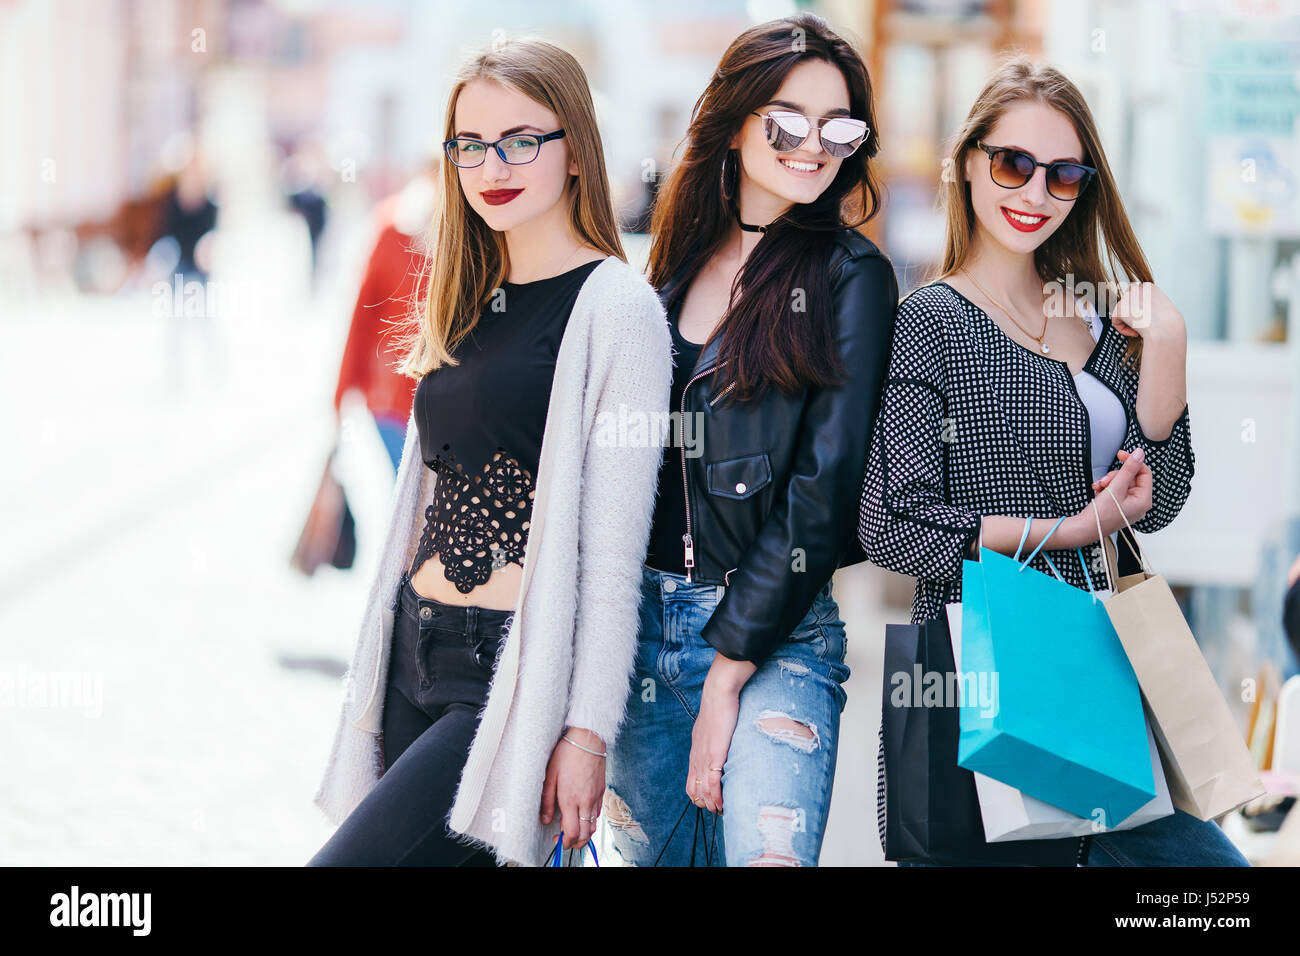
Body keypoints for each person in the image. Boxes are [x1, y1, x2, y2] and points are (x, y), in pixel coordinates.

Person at [858, 54, 1247, 866]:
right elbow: (891, 522)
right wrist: (1063, 530)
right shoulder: (932, 320)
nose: (1035, 194)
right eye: (1013, 165)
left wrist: (1167, 352)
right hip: (982, 670)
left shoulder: (1103, 318)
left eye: (1063, 175)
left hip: (1106, 665)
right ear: (969, 164)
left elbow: (1162, 499)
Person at [309, 37, 672, 866]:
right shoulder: (464, 285)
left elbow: (614, 560)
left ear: (574, 151)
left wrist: (585, 733)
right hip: (412, 654)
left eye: (521, 140)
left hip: (505, 677)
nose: (492, 165)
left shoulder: (617, 310)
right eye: (470, 144)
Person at [603, 13, 897, 867]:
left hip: (778, 633)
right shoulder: (670, 265)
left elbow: (827, 489)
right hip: (643, 633)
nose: (815, 146)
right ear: (735, 121)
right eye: (787, 122)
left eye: (838, 126)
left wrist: (730, 663)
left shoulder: (852, 276)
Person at [333, 159, 441, 472]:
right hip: (392, 399)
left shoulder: (473, 233)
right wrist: (342, 392)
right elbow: (361, 316)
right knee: (406, 498)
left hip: (450, 399)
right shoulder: (393, 227)